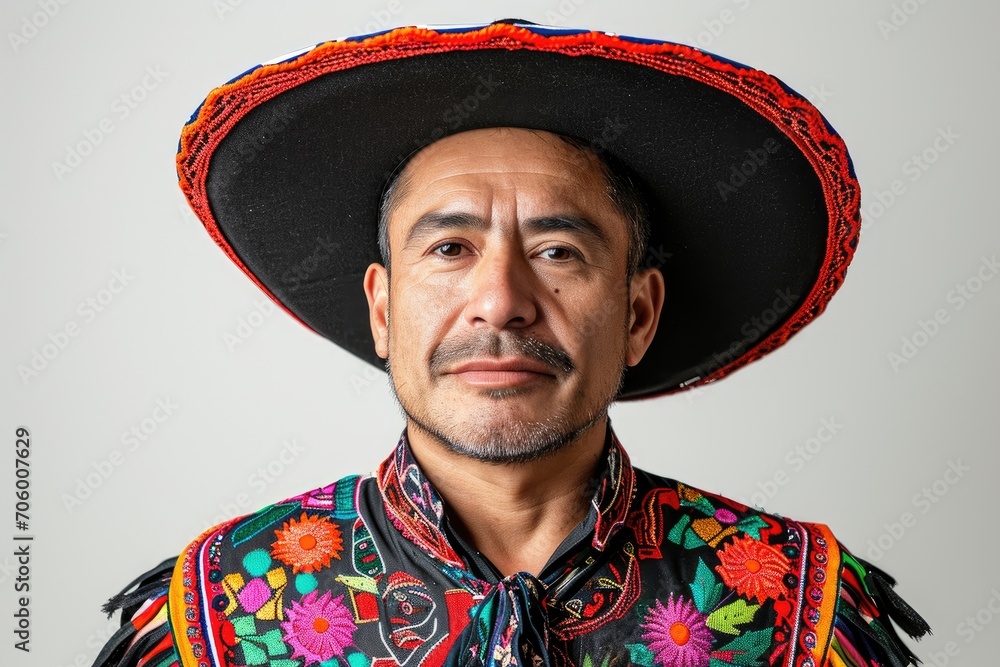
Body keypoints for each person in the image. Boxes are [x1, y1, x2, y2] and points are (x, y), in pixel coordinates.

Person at [93, 20, 929, 667]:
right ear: (382, 310)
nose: (501, 300)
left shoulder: (794, 605)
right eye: (450, 249)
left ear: (639, 313)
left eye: (557, 252)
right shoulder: (226, 608)